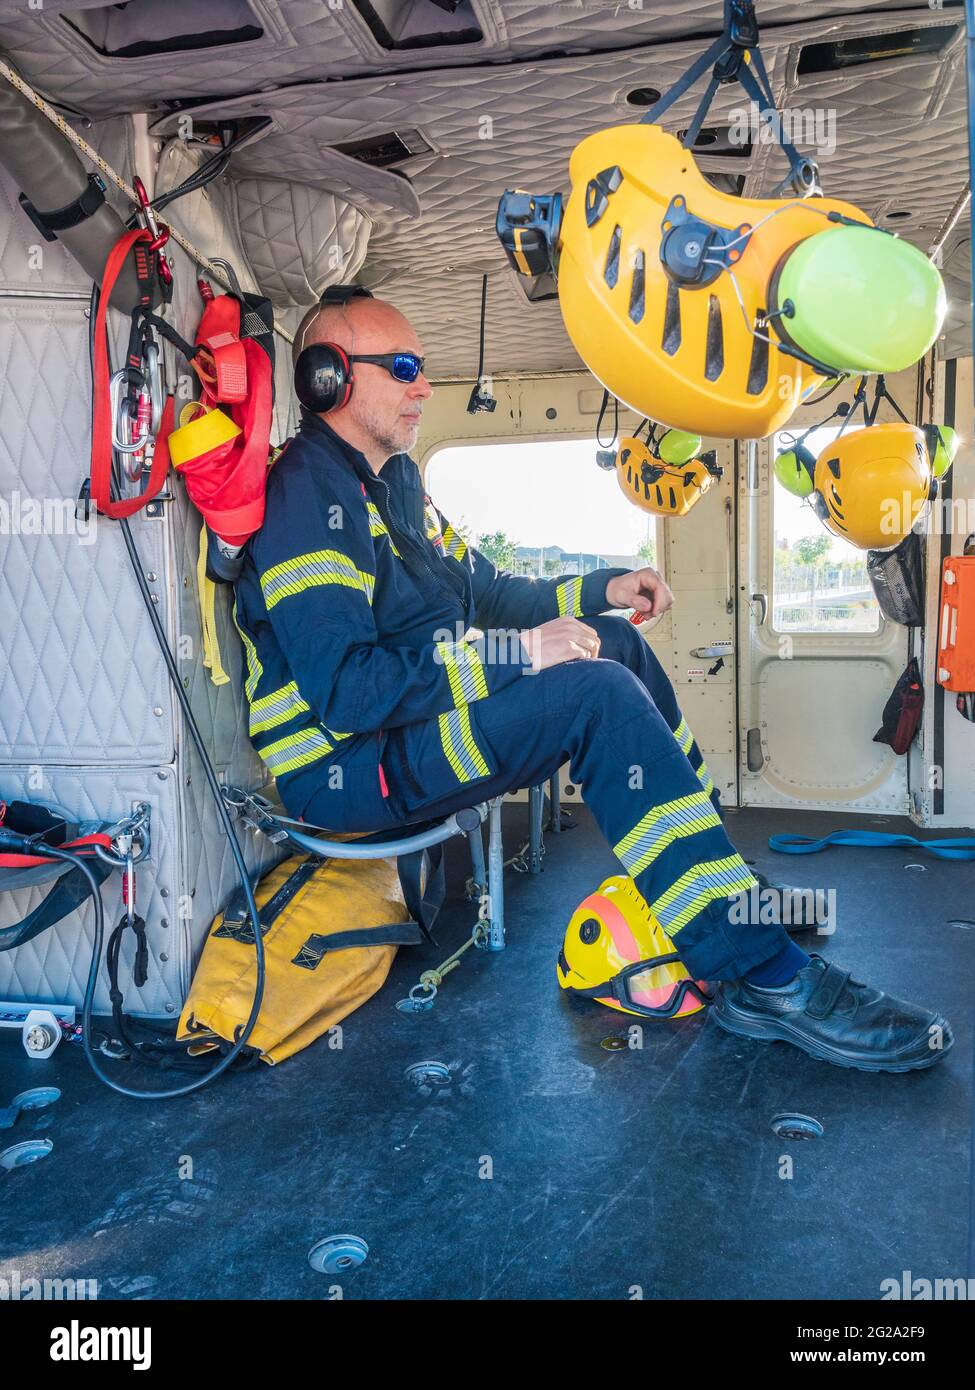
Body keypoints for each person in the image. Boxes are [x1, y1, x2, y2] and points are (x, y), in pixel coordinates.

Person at [232, 289, 952, 1073]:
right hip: (348, 768)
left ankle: (723, 888)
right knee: (593, 693)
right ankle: (765, 978)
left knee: (610, 645)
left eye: (424, 369)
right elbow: (348, 690)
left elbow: (489, 592)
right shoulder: (306, 497)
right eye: (402, 368)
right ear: (328, 380)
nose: (422, 387)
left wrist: (604, 589)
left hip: (407, 735)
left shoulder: (395, 487)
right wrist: (515, 655)